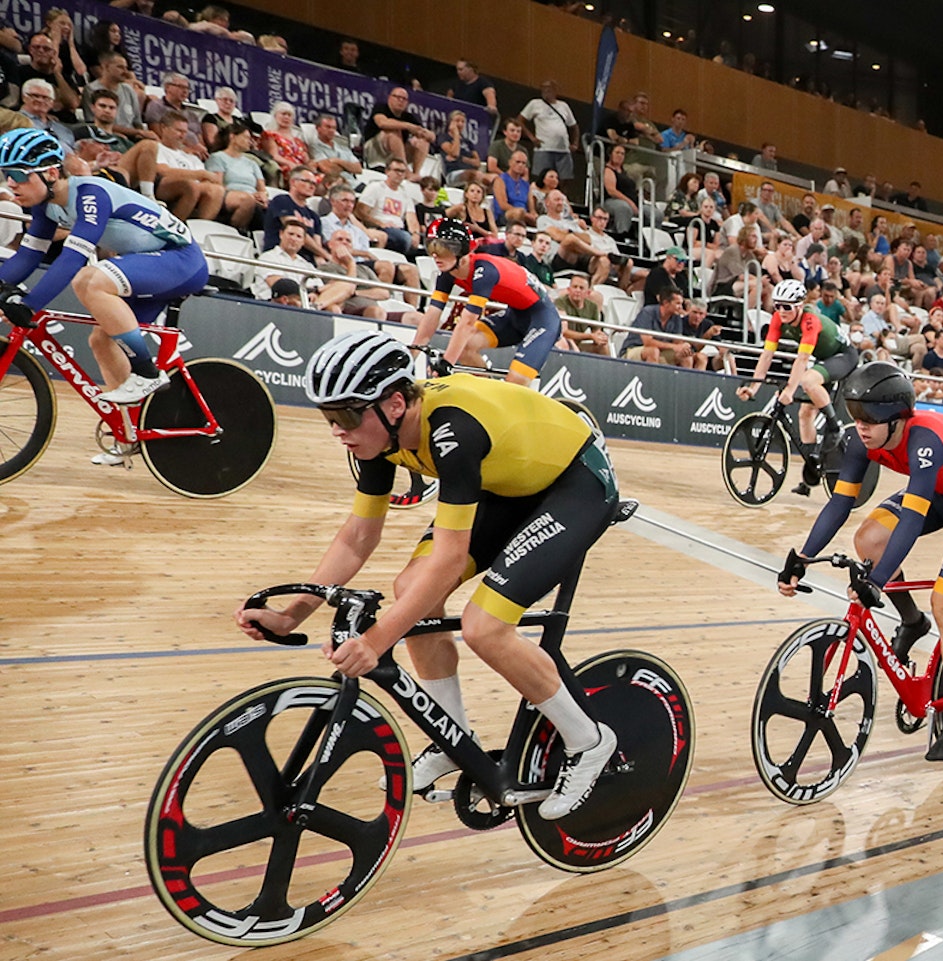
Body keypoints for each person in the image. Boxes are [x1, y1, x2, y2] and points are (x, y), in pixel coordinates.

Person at [237, 330, 628, 820]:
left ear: (395, 404)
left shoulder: (452, 431)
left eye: (346, 417)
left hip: (574, 483)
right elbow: (358, 536)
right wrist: (292, 615)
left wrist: (376, 640)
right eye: (329, 418)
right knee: (410, 591)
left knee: (484, 627)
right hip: (507, 484)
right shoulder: (378, 439)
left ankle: (588, 741)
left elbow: (447, 561)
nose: (337, 430)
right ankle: (452, 737)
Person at [780, 363, 943, 762]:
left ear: (898, 419)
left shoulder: (924, 442)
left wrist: (878, 581)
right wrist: (802, 558)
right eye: (855, 416)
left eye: (870, 420)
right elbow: (840, 503)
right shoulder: (858, 442)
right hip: (937, 492)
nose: (860, 427)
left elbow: (914, 518)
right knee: (867, 540)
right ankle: (911, 622)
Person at [0, 130, 208, 418]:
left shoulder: (90, 195)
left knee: (88, 279)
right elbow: (27, 256)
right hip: (150, 263)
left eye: (18, 174)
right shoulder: (44, 208)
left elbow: (73, 258)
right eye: (5, 173)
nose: (10, 183)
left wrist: (30, 304)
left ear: (49, 173)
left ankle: (147, 373)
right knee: (101, 340)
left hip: (183, 261)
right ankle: (129, 432)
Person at [734, 279, 860, 495]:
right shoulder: (777, 319)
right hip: (823, 360)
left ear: (799, 306)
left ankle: (834, 426)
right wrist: (754, 387)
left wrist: (789, 391)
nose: (781, 311)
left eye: (787, 307)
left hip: (843, 356)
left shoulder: (810, 321)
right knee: (804, 414)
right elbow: (767, 355)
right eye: (777, 305)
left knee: (808, 381)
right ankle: (812, 468)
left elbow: (802, 360)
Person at [415, 219, 563, 386]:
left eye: (442, 250)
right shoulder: (447, 274)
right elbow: (432, 314)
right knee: (465, 348)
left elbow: (467, 322)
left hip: (543, 319)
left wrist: (447, 363)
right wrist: (411, 354)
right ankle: (489, 393)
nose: (435, 256)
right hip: (515, 315)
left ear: (460, 253)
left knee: (515, 382)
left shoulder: (484, 271)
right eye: (431, 248)